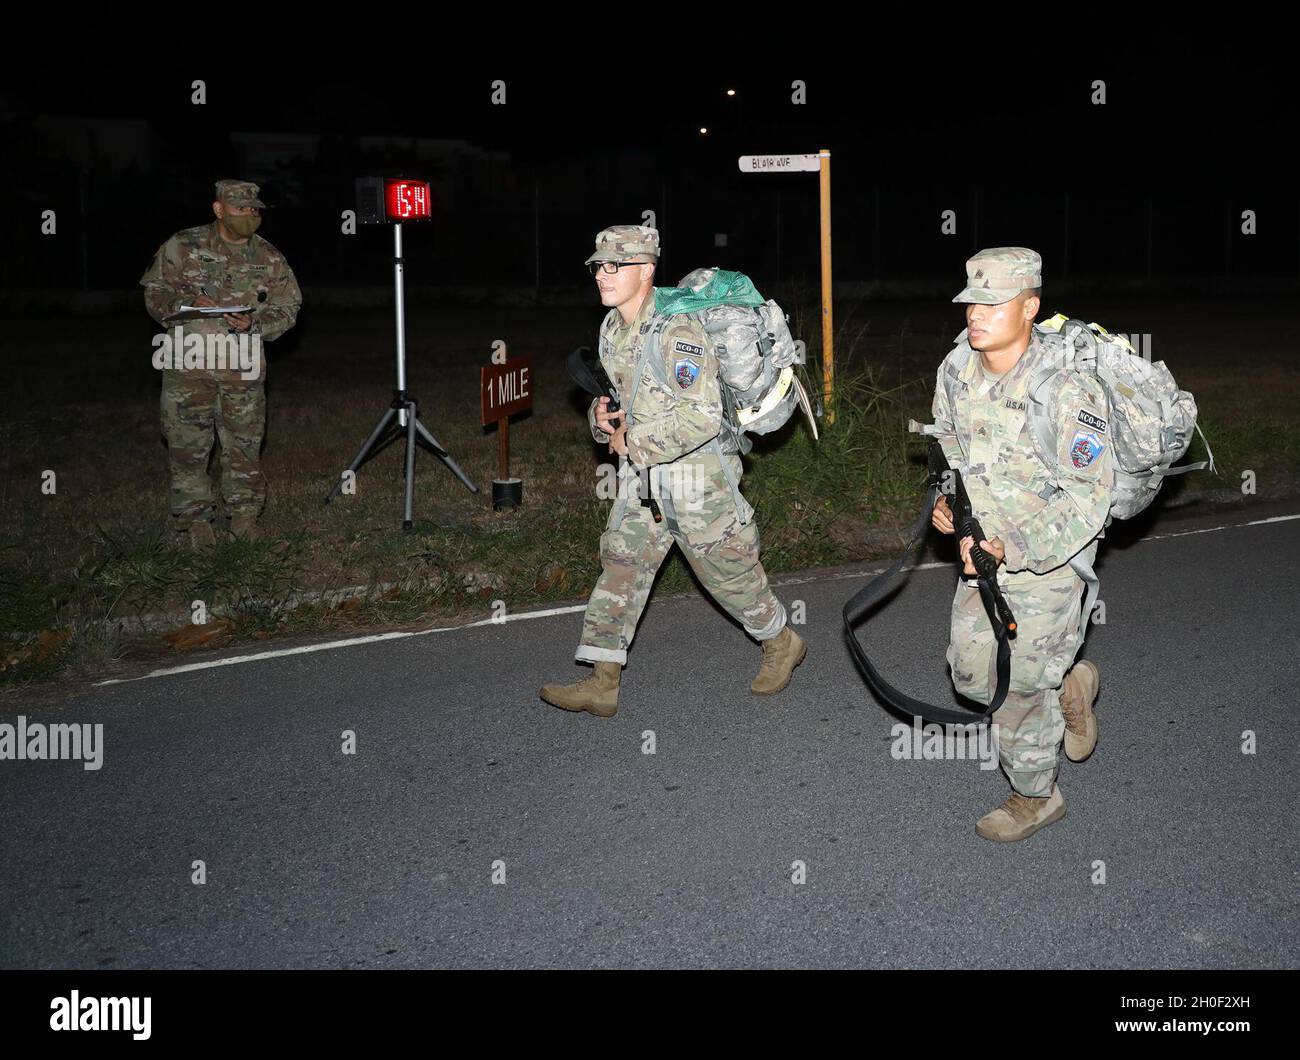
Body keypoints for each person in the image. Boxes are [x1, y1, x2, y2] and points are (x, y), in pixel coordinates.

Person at [540, 225, 805, 717]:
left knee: (728, 575)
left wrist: (632, 441)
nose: (603, 275)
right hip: (644, 477)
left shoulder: (677, 331)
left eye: (615, 265)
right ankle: (602, 680)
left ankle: (780, 641)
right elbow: (627, 397)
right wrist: (603, 420)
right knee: (621, 562)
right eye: (598, 265)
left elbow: (700, 417)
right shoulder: (613, 328)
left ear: (646, 270)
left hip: (697, 479)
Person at [929, 247, 1108, 842]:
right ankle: (1070, 682)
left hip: (1046, 558)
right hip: (979, 553)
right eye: (970, 302)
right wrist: (947, 503)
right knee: (972, 678)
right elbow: (948, 448)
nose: (974, 315)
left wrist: (1012, 545)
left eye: (991, 302)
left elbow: (1089, 498)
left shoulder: (1065, 390)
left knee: (1020, 685)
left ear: (1030, 307)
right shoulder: (956, 369)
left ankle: (1036, 796)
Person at [141, 179, 302, 547]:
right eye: (240, 208)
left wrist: (256, 323)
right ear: (218, 209)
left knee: (243, 444)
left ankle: (244, 520)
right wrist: (188, 300)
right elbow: (155, 292)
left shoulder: (270, 257)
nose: (249, 215)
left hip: (241, 364)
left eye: (254, 209)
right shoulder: (183, 245)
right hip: (189, 362)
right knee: (187, 443)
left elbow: (289, 307)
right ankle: (196, 521)